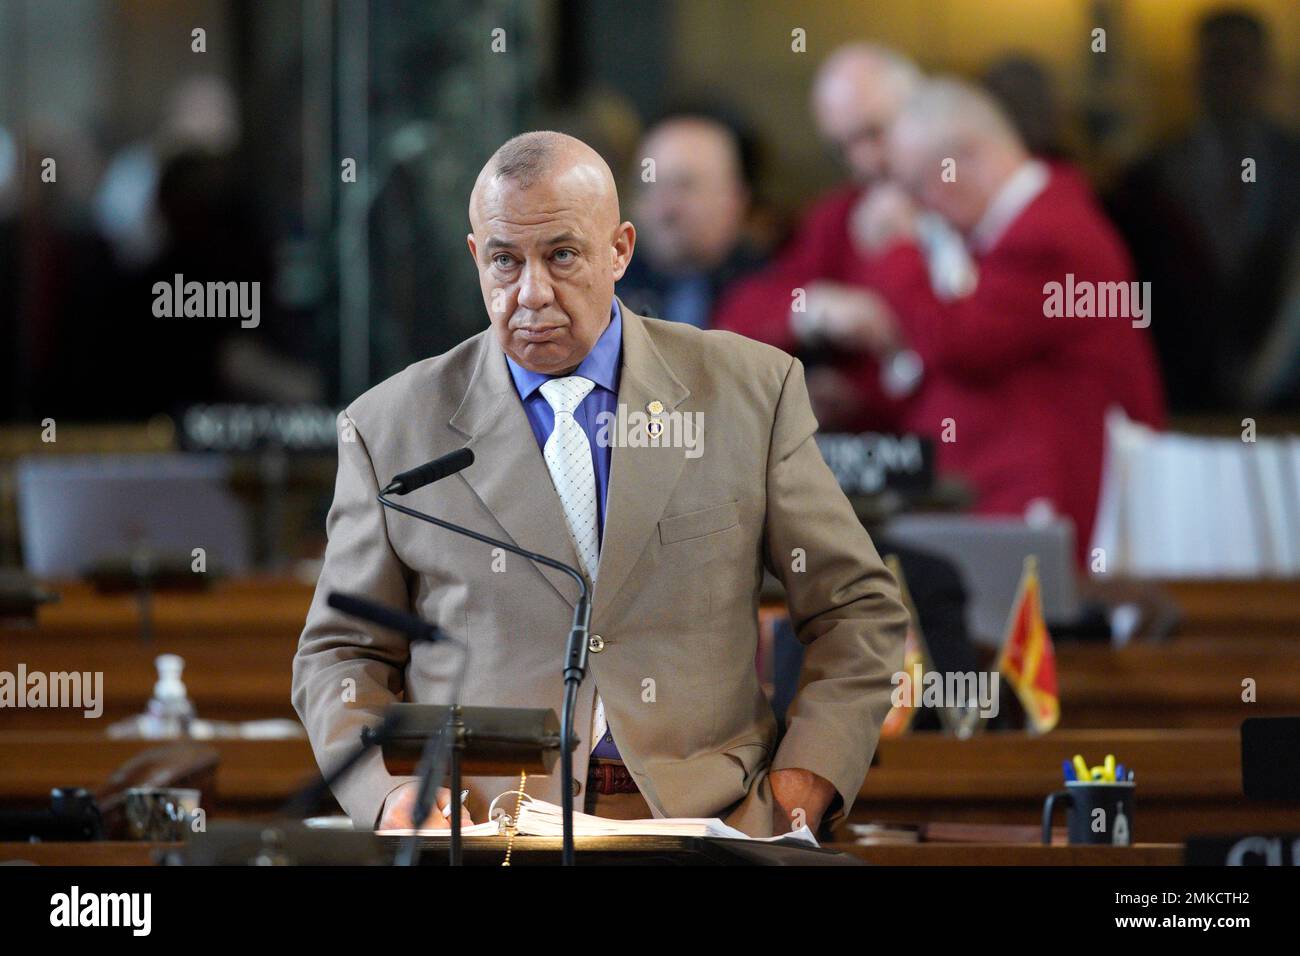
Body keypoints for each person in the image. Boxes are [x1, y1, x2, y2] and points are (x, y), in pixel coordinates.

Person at [292, 131, 908, 838]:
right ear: (474, 259)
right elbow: (341, 653)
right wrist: (388, 796)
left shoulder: (749, 392)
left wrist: (796, 795)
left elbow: (858, 612)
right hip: (485, 834)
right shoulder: (389, 427)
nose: (531, 294)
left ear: (619, 250)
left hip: (713, 827)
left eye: (561, 255)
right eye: (503, 261)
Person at [861, 79, 1165, 557]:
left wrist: (895, 252)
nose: (919, 209)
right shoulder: (1017, 230)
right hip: (1011, 502)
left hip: (1048, 508)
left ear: (966, 158)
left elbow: (960, 343)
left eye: (920, 185)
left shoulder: (1049, 235)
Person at [714, 43, 954, 432]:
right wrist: (813, 308)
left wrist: (870, 392)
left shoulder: (970, 207)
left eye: (875, 133)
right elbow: (738, 320)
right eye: (843, 148)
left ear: (923, 112)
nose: (864, 161)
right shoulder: (841, 216)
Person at [616, 109, 766, 328]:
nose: (663, 210)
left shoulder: (774, 291)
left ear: (735, 199)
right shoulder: (606, 293)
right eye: (648, 187)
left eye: (683, 186)